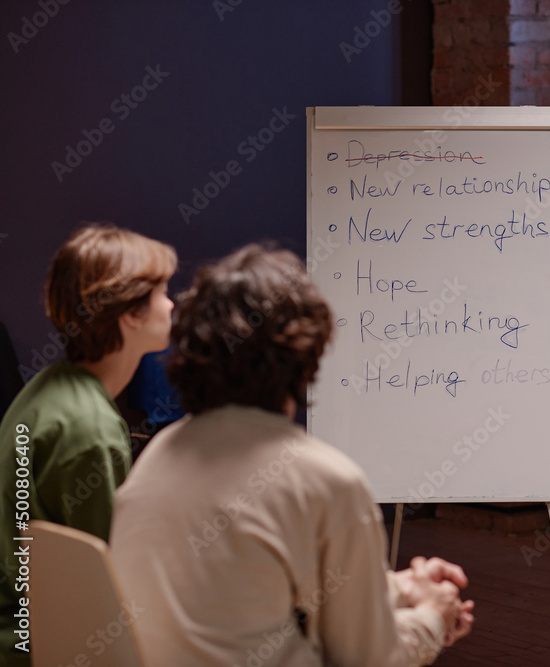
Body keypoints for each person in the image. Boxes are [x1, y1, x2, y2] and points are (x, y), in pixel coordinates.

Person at [109, 244, 474, 666]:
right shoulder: (325, 479)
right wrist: (433, 617)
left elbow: (241, 590)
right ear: (308, 355)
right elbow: (369, 659)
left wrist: (399, 589)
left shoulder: (158, 455)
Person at [0, 224, 177, 665]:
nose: (172, 304)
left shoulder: (48, 388)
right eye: (161, 293)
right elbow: (102, 592)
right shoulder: (91, 430)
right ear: (130, 314)